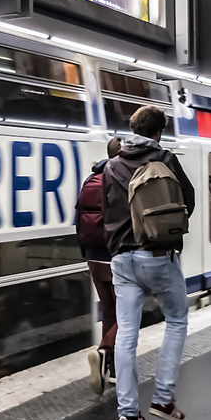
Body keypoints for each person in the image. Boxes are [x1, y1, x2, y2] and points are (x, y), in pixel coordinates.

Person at [102, 106, 195, 420]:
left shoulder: (111, 165)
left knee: (127, 333)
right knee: (176, 319)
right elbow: (188, 202)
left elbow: (106, 210)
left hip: (121, 259)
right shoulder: (165, 159)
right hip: (156, 254)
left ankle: (127, 415)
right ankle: (163, 400)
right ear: (159, 132)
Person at [75, 137, 123, 394]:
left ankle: (112, 371)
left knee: (109, 313)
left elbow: (78, 218)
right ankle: (104, 352)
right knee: (127, 314)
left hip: (93, 257)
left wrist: (86, 253)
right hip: (115, 256)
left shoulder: (90, 179)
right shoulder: (122, 179)